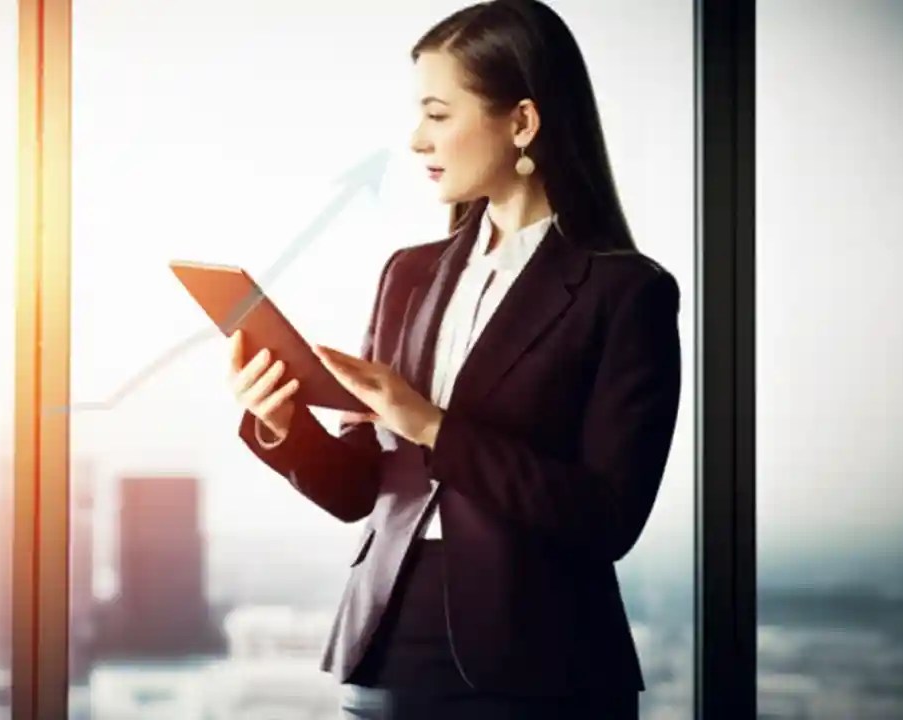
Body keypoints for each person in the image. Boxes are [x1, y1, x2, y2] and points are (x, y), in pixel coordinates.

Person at [226, 0, 681, 718]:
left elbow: (608, 518)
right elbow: (358, 491)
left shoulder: (626, 292)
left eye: (437, 114)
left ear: (523, 123)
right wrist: (284, 423)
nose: (415, 140)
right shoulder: (406, 275)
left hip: (546, 659)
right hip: (388, 643)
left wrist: (434, 426)